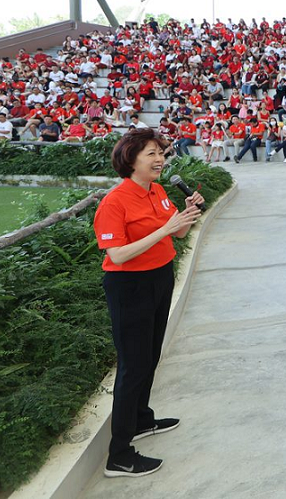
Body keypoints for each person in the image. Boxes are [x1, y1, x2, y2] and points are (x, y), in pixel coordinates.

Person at [92, 129, 203, 478]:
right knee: (133, 365)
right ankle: (119, 456)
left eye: (162, 153)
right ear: (130, 159)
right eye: (152, 154)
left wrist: (185, 215)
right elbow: (118, 253)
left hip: (159, 276)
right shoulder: (115, 201)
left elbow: (178, 233)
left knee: (151, 356)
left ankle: (141, 420)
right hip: (130, 286)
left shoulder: (156, 191)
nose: (160, 160)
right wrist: (166, 228)